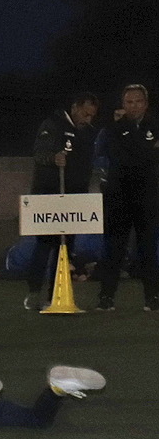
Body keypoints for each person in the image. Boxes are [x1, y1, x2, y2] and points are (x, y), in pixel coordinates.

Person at [24, 93, 98, 309]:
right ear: (74, 107)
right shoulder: (52, 125)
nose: (88, 119)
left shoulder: (89, 133)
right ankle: (33, 293)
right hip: (48, 196)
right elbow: (39, 154)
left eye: (92, 116)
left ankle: (56, 295)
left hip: (74, 198)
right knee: (44, 244)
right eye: (85, 114)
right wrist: (53, 158)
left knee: (65, 247)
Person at [93, 83, 159, 311]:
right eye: (129, 102)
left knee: (147, 248)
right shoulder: (112, 128)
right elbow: (112, 156)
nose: (134, 106)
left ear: (146, 104)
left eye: (138, 101)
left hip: (148, 196)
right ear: (123, 104)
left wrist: (137, 148)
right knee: (114, 248)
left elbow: (142, 156)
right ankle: (106, 297)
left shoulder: (154, 125)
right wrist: (145, 148)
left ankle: (152, 297)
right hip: (118, 196)